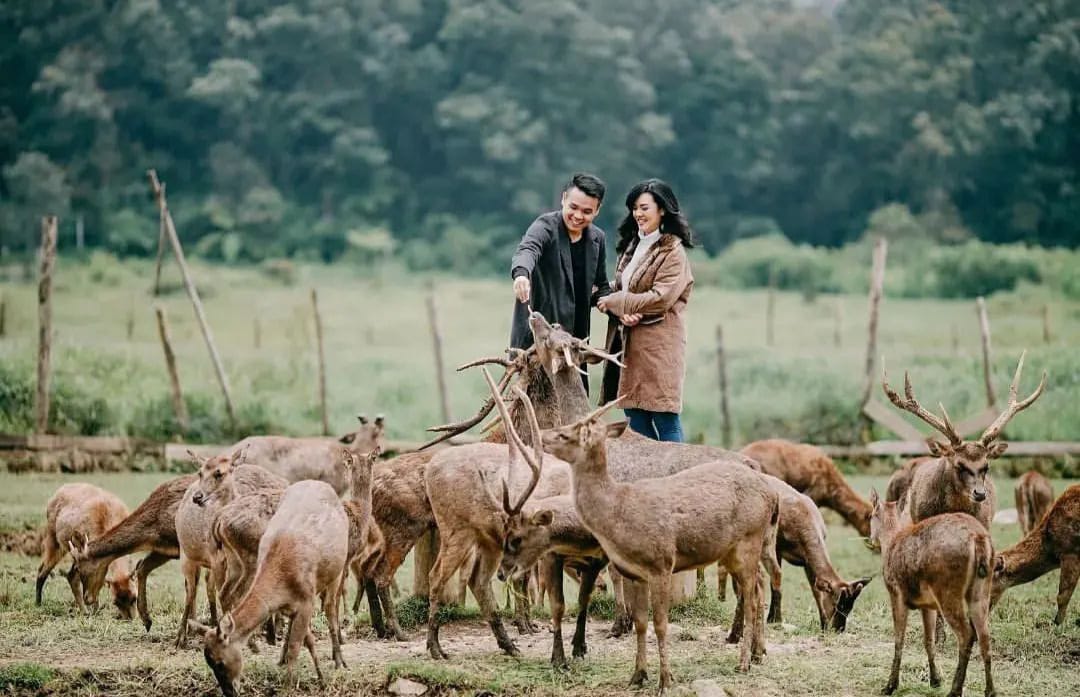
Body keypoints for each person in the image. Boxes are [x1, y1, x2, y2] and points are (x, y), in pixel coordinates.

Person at [597, 178, 694, 442]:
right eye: (634, 208)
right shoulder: (633, 245)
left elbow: (661, 298)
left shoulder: (672, 250)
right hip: (628, 346)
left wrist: (617, 301)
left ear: (662, 209)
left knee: (664, 417)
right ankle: (649, 470)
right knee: (635, 417)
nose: (637, 214)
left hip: (659, 348)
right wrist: (609, 301)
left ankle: (676, 469)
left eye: (644, 208)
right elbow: (623, 287)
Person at [508, 173, 612, 365]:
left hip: (574, 345)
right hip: (538, 345)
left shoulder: (598, 238)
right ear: (563, 199)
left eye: (587, 211)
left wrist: (618, 305)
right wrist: (521, 274)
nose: (578, 216)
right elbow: (528, 249)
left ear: (597, 210)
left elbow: (601, 286)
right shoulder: (545, 226)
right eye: (573, 207)